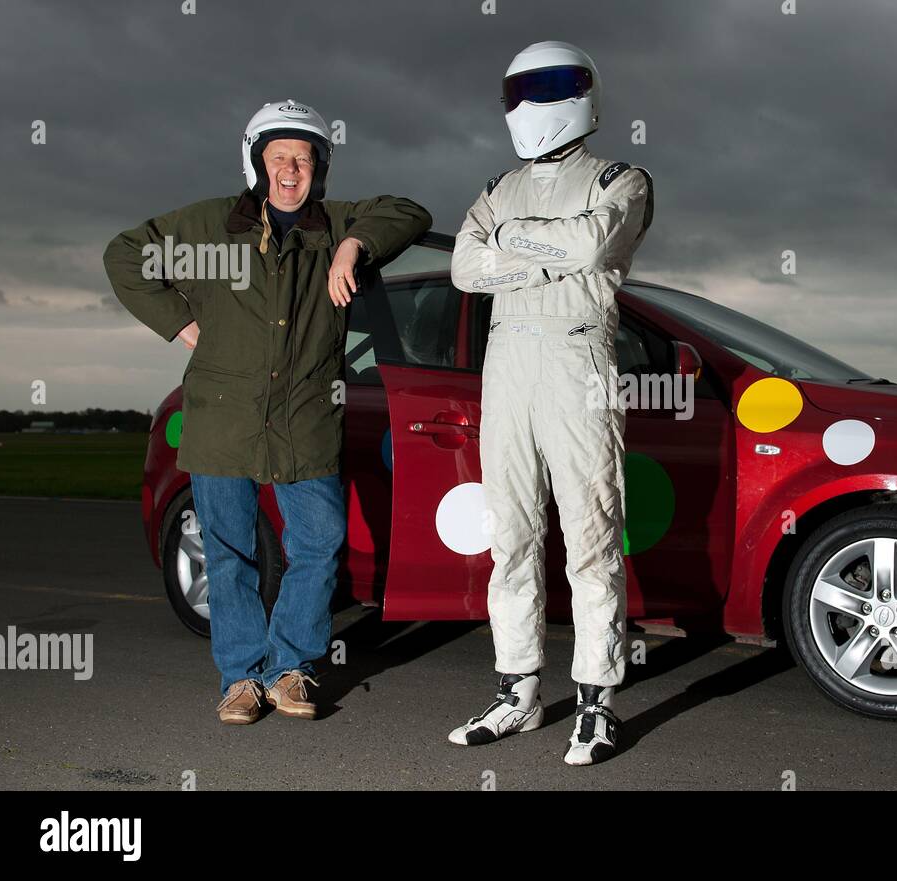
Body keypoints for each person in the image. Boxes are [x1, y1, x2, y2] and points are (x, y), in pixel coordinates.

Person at [104, 99, 431, 724]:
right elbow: (125, 253)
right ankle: (240, 678)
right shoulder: (206, 228)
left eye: (303, 159)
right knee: (229, 552)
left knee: (319, 543)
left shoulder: (335, 224)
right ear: (255, 161)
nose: (290, 170)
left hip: (305, 418)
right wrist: (180, 323)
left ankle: (291, 670)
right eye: (278, 157)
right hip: (223, 419)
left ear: (320, 168)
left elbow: (411, 211)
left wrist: (354, 246)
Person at [449, 42, 654, 765]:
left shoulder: (623, 178)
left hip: (578, 358)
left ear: (587, 93)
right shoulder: (498, 186)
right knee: (511, 533)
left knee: (591, 531)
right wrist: (543, 246)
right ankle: (518, 689)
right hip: (506, 362)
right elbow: (463, 267)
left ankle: (597, 699)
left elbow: (596, 246)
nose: (537, 101)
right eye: (524, 88)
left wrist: (508, 241)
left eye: (554, 84)